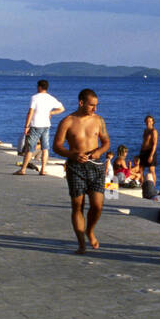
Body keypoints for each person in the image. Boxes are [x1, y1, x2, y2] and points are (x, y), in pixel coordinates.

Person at [53, 88, 110, 252]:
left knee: (97, 205)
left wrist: (98, 152)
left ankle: (89, 231)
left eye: (96, 105)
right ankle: (81, 244)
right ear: (81, 103)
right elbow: (56, 146)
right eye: (92, 105)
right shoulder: (67, 121)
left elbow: (106, 142)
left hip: (96, 166)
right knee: (77, 205)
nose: (95, 109)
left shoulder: (99, 120)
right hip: (75, 167)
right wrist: (73, 154)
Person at [17, 79, 64, 176]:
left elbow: (30, 112)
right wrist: (51, 112)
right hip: (46, 125)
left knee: (30, 148)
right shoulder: (51, 98)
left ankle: (23, 169)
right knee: (45, 148)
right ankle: (43, 170)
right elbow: (62, 109)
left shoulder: (34, 97)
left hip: (35, 125)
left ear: (39, 87)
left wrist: (26, 126)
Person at [138, 115, 158, 181]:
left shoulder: (154, 131)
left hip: (150, 151)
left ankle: (153, 187)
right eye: (147, 121)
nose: (148, 122)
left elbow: (154, 144)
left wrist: (151, 155)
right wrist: (140, 152)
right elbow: (144, 142)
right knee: (140, 169)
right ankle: (142, 185)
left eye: (150, 121)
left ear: (152, 122)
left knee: (151, 170)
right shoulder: (145, 130)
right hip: (143, 151)